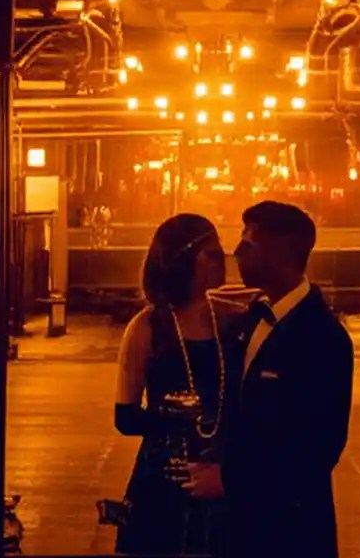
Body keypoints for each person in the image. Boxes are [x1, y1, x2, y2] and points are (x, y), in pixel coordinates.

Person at [186, 201, 354, 558]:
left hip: (290, 530)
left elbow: (318, 447)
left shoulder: (321, 337)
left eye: (249, 244)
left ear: (280, 252)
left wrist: (231, 479)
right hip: (242, 523)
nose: (236, 253)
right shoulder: (254, 319)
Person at [112, 213, 240, 555]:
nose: (223, 260)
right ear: (185, 261)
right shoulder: (147, 328)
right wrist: (170, 418)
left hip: (224, 471)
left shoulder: (231, 320)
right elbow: (124, 417)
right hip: (166, 475)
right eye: (211, 254)